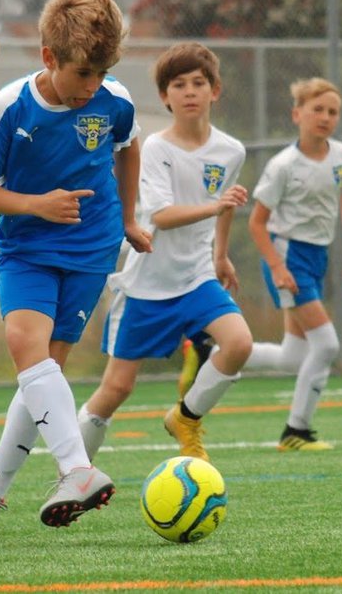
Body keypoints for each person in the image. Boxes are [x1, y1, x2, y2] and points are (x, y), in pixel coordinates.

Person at [0, 0, 152, 546]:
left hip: (92, 249)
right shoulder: (10, 108)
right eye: (83, 73)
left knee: (42, 377)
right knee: (26, 346)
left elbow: (129, 147)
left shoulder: (114, 100)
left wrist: (129, 219)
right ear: (49, 57)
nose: (92, 86)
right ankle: (76, 469)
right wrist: (38, 205)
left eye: (102, 73)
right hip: (27, 248)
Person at [78, 42, 252, 465]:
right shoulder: (155, 148)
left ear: (215, 90)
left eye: (198, 83)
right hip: (147, 285)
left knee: (238, 344)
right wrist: (215, 207)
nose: (189, 91)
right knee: (116, 389)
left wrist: (221, 255)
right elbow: (162, 215)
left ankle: (185, 418)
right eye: (178, 84)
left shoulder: (231, 150)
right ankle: (75, 469)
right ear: (164, 96)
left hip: (196, 277)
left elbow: (226, 203)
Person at [242, 77, 342, 450]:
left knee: (293, 355)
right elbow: (257, 223)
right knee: (326, 345)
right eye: (317, 109)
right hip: (288, 256)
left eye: (333, 112)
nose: (325, 117)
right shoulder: (283, 165)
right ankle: (296, 430)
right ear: (297, 115)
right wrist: (278, 268)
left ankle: (213, 355)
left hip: (316, 257)